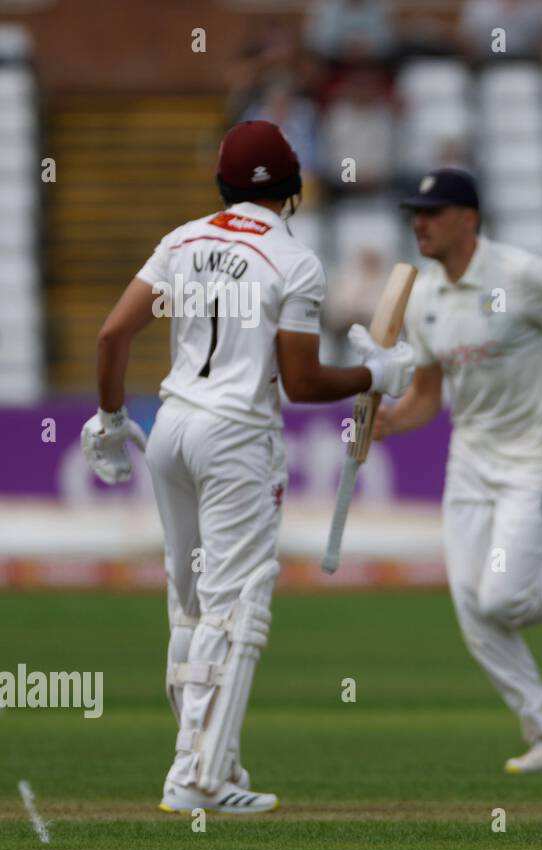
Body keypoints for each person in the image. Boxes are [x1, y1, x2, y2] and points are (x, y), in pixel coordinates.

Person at [82, 120, 416, 814]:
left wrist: (113, 419)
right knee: (238, 609)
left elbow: (113, 333)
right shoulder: (294, 259)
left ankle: (214, 766)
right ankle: (195, 778)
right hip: (236, 438)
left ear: (222, 184)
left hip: (170, 428)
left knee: (192, 606)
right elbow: (300, 382)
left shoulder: (183, 240)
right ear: (293, 188)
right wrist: (375, 371)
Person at [376, 168, 542, 774]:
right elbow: (428, 397)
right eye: (415, 212)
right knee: (473, 611)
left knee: (504, 600)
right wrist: (384, 422)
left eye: (432, 213)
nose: (419, 223)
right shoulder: (424, 298)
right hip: (469, 465)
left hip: (531, 461)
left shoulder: (521, 275)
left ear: (468, 218)